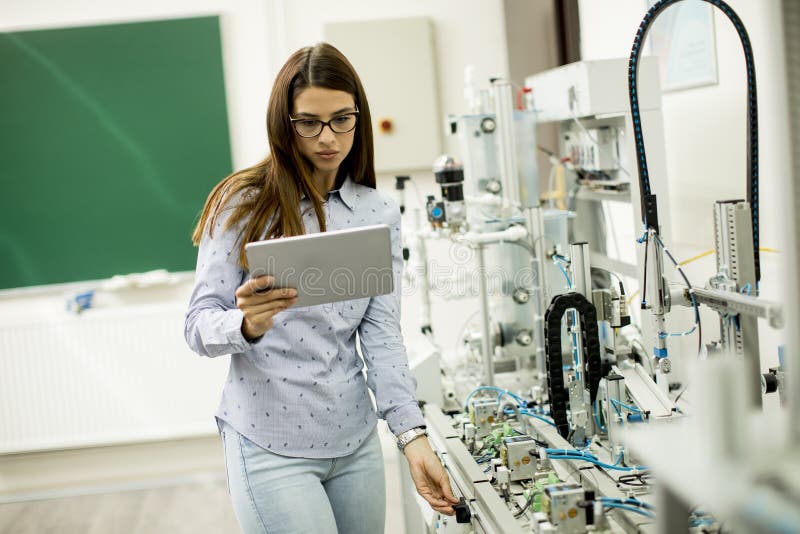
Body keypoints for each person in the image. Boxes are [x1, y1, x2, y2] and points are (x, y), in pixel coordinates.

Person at [184, 42, 458, 533]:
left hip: (354, 443)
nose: (327, 137)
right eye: (308, 122)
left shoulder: (377, 212)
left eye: (342, 119)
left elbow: (382, 338)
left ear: (359, 117)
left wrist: (411, 435)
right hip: (269, 445)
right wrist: (244, 324)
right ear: (283, 123)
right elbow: (197, 325)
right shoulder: (243, 205)